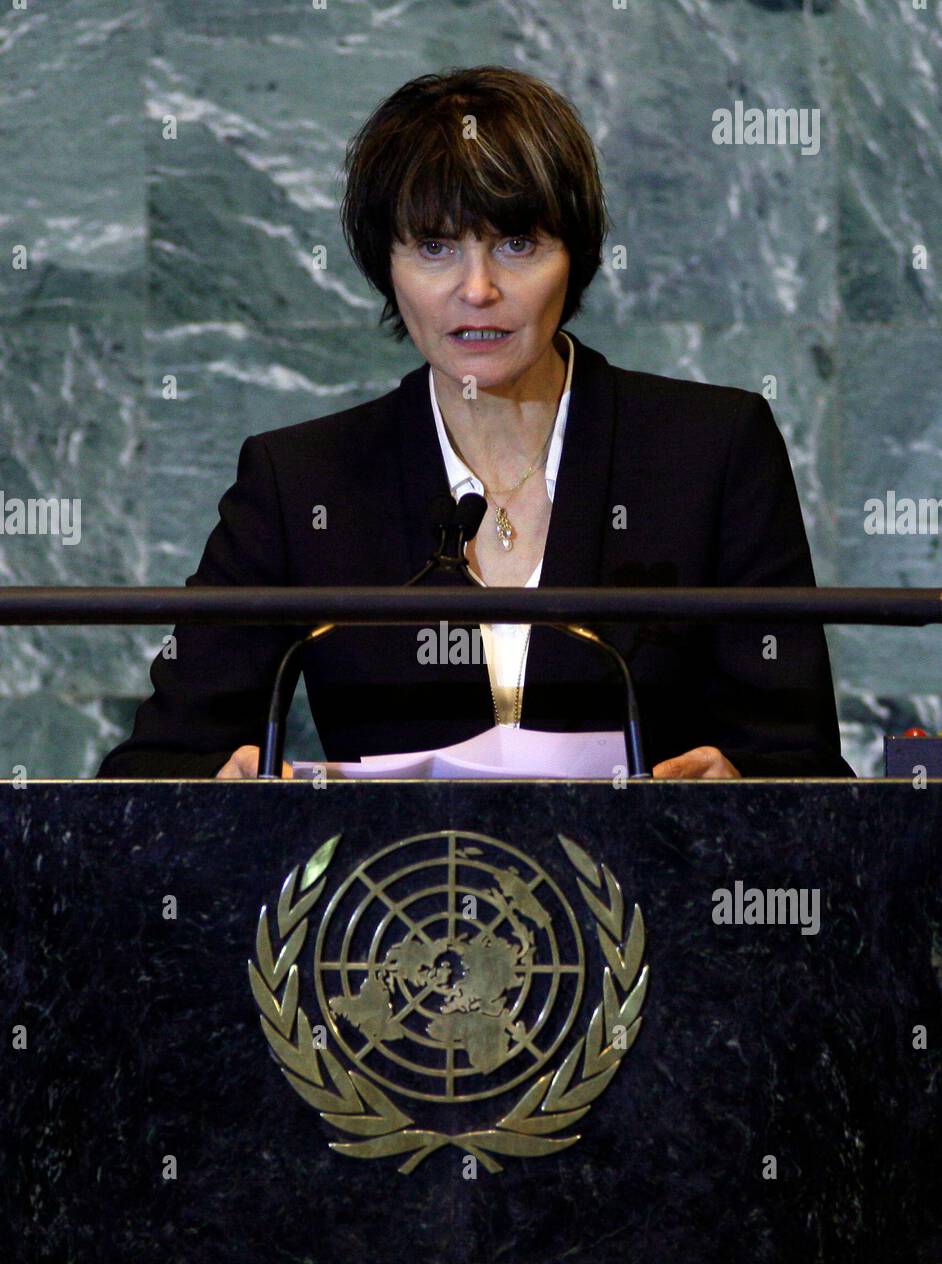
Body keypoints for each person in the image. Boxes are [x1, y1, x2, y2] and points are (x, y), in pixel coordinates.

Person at [97, 65, 853, 782]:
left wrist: (744, 788)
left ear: (576, 256)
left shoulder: (711, 450)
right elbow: (149, 773)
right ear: (384, 264)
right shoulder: (302, 483)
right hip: (390, 912)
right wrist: (221, 791)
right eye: (435, 247)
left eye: (517, 244)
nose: (478, 289)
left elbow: (808, 767)